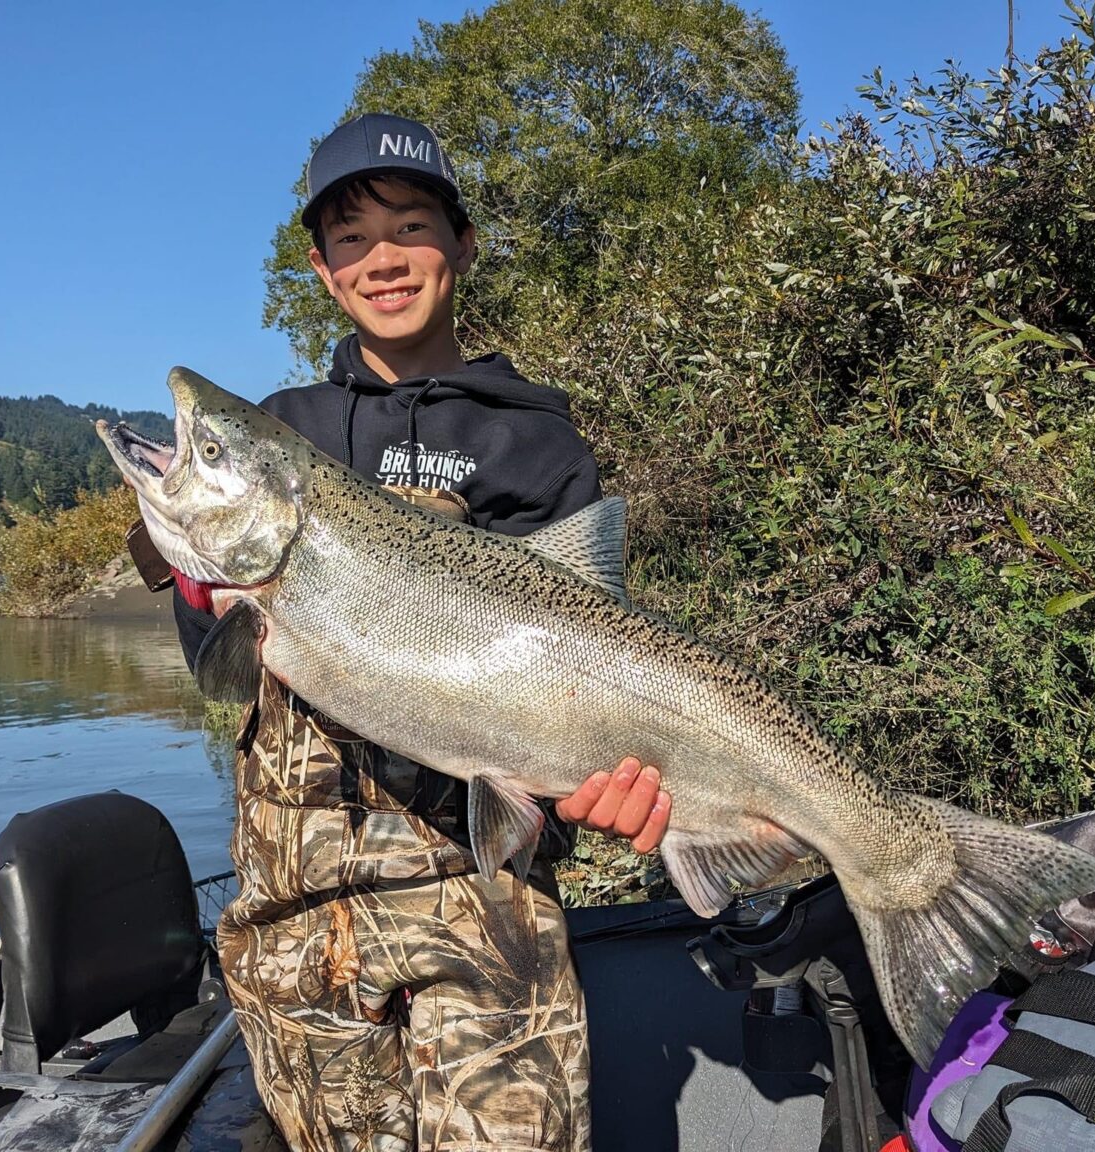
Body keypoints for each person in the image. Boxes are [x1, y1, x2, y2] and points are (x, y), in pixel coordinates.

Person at [167, 113, 668, 1152]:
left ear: (463, 243)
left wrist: (603, 775)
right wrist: (194, 577)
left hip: (483, 890)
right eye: (350, 238)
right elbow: (214, 671)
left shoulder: (534, 439)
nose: (382, 257)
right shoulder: (286, 427)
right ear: (319, 267)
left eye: (410, 225)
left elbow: (584, 650)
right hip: (294, 910)